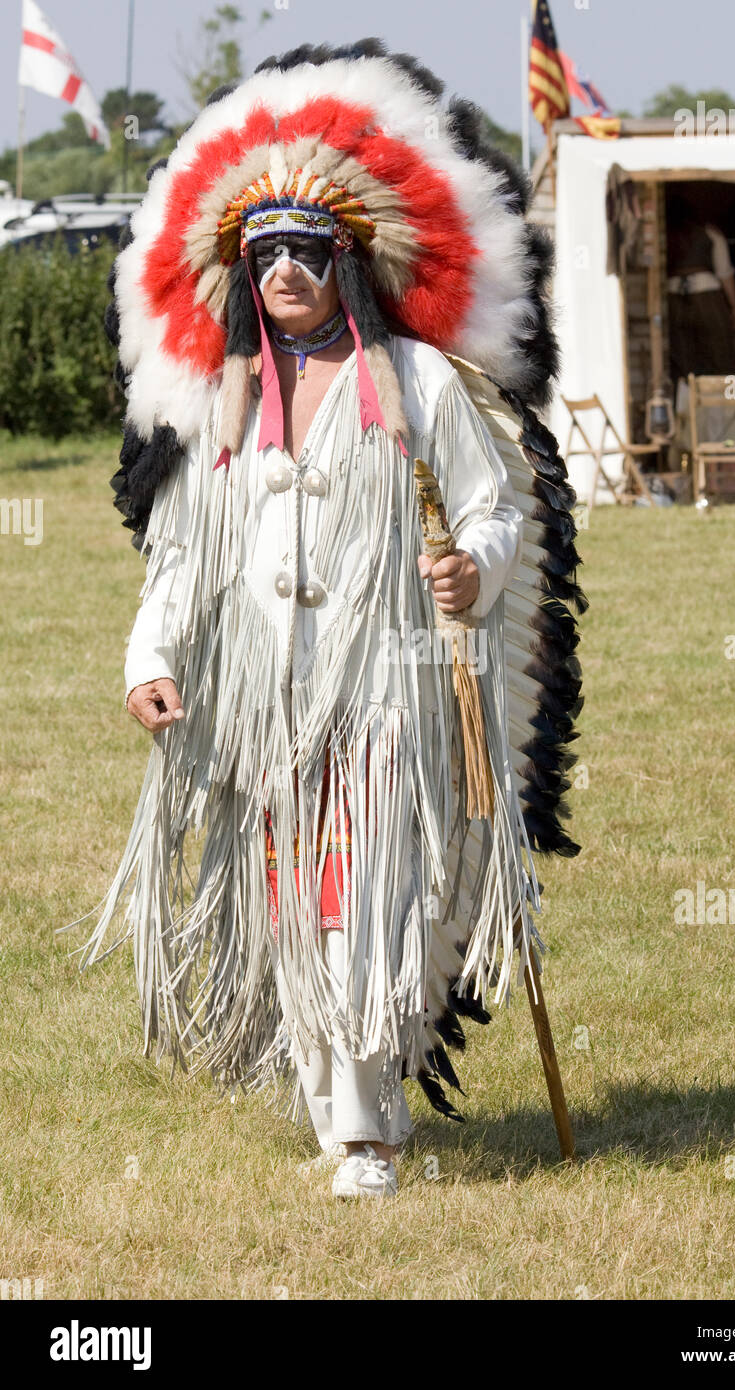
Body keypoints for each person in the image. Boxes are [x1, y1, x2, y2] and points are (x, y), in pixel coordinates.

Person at [66, 39, 583, 1201]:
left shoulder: (416, 382)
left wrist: (476, 571)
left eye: (306, 250)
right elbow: (184, 552)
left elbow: (495, 504)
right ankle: (334, 1107)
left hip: (383, 681)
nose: (286, 270)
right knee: (290, 894)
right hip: (263, 694)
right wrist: (151, 656)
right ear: (242, 273)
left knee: (364, 895)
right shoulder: (227, 403)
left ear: (345, 262)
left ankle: (367, 1135)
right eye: (265, 255)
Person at [666, 195, 735, 383]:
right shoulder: (711, 233)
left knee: (684, 360)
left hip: (675, 297)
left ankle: (687, 407)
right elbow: (725, 273)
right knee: (722, 352)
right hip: (707, 296)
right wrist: (734, 307)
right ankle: (729, 403)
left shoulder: (667, 235)